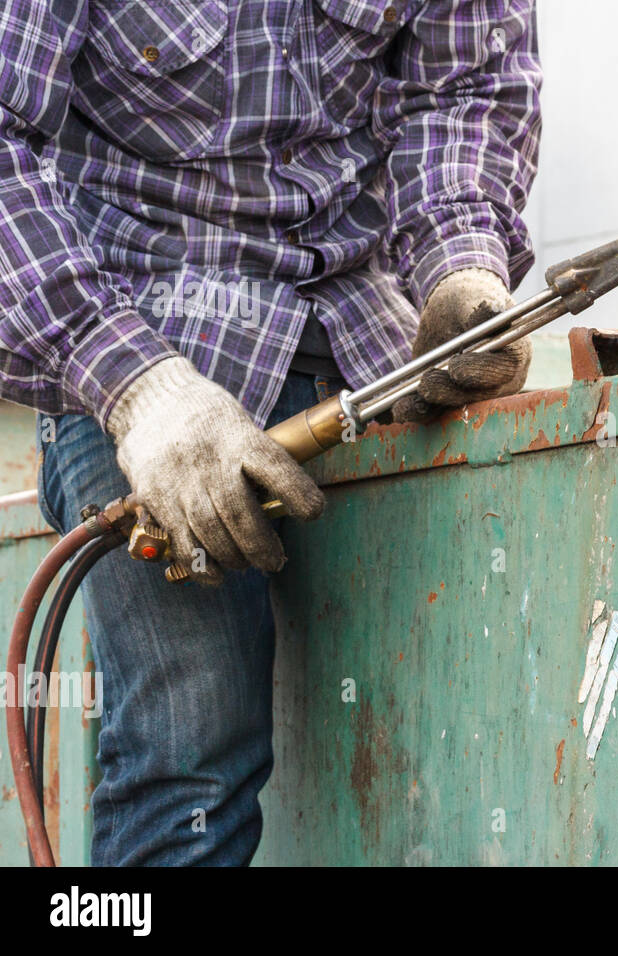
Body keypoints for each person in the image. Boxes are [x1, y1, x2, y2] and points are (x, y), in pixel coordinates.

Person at [0, 0, 541, 865]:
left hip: (369, 350)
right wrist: (139, 391)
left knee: (461, 715)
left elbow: (465, 87)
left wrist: (461, 262)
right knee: (192, 758)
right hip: (143, 351)